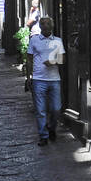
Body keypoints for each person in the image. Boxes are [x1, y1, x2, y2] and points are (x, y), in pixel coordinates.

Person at [27, 17, 64, 146]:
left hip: (54, 79)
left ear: (52, 27)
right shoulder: (34, 40)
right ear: (41, 27)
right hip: (39, 79)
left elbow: (62, 59)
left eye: (48, 24)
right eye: (44, 25)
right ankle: (43, 136)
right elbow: (29, 59)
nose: (46, 27)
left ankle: (52, 127)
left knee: (56, 108)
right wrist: (28, 77)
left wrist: (52, 62)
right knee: (40, 110)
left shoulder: (58, 41)